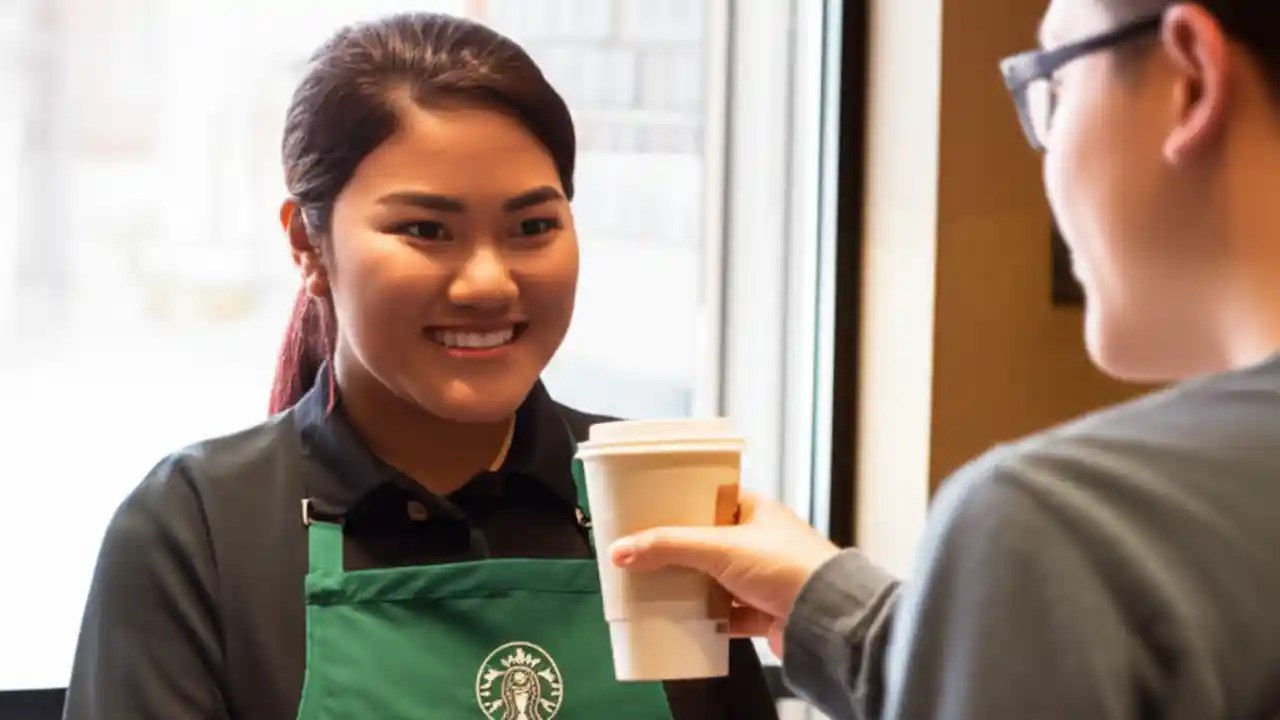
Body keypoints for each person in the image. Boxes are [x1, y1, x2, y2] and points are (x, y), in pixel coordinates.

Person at [62, 13, 778, 720]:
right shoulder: (199, 531)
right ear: (308, 245)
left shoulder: (654, 496)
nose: (488, 283)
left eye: (533, 227)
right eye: (426, 230)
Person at [610, 0, 1280, 718]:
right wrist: (858, 618)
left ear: (1191, 79)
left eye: (1053, 84)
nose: (1041, 152)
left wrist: (1005, 591)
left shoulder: (1057, 529)